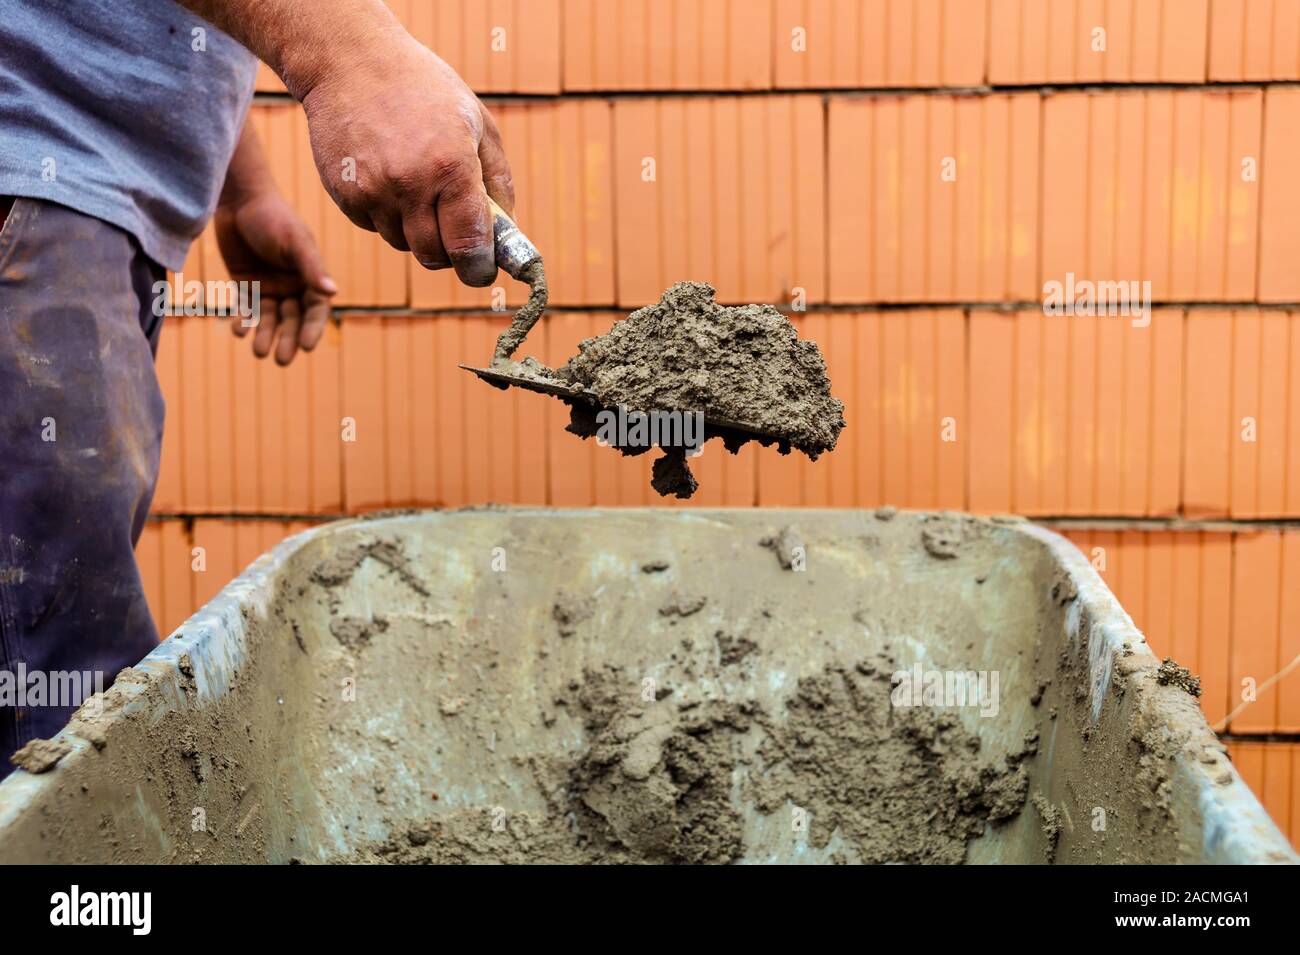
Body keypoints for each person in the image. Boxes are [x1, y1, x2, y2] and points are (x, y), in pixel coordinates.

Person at [0, 0, 515, 774]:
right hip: (32, 174)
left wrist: (242, 189)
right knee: (68, 680)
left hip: (87, 204)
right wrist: (347, 51)